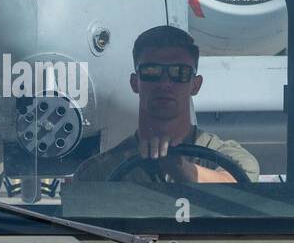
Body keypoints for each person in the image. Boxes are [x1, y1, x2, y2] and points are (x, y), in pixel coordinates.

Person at [72, 25, 259, 184]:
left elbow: (239, 184)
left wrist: (181, 169)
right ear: (135, 82)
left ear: (196, 84)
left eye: (180, 73)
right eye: (151, 71)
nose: (165, 83)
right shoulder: (97, 174)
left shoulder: (230, 158)